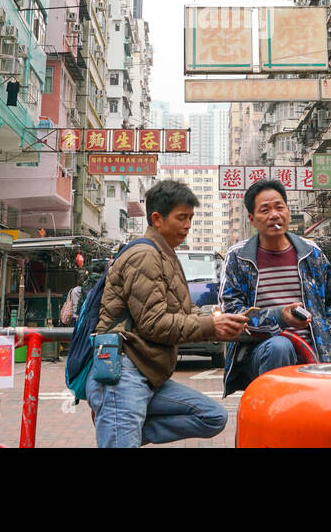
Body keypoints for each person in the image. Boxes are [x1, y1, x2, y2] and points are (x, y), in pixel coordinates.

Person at [85, 179, 247, 448]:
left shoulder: (166, 254)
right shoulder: (145, 255)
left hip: (148, 375)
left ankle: (122, 426)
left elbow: (182, 311)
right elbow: (154, 324)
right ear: (157, 218)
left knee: (212, 416)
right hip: (124, 372)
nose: (188, 225)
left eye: (191, 218)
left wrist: (217, 319)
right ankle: (118, 423)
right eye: (181, 217)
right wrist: (211, 326)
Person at [220, 178, 331, 398]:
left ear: (288, 211)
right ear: (252, 219)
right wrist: (279, 317)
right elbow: (232, 312)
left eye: (279, 207)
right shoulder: (238, 257)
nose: (274, 215)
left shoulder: (311, 253)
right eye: (265, 210)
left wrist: (329, 334)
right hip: (262, 353)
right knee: (280, 346)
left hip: (313, 354)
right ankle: (274, 417)